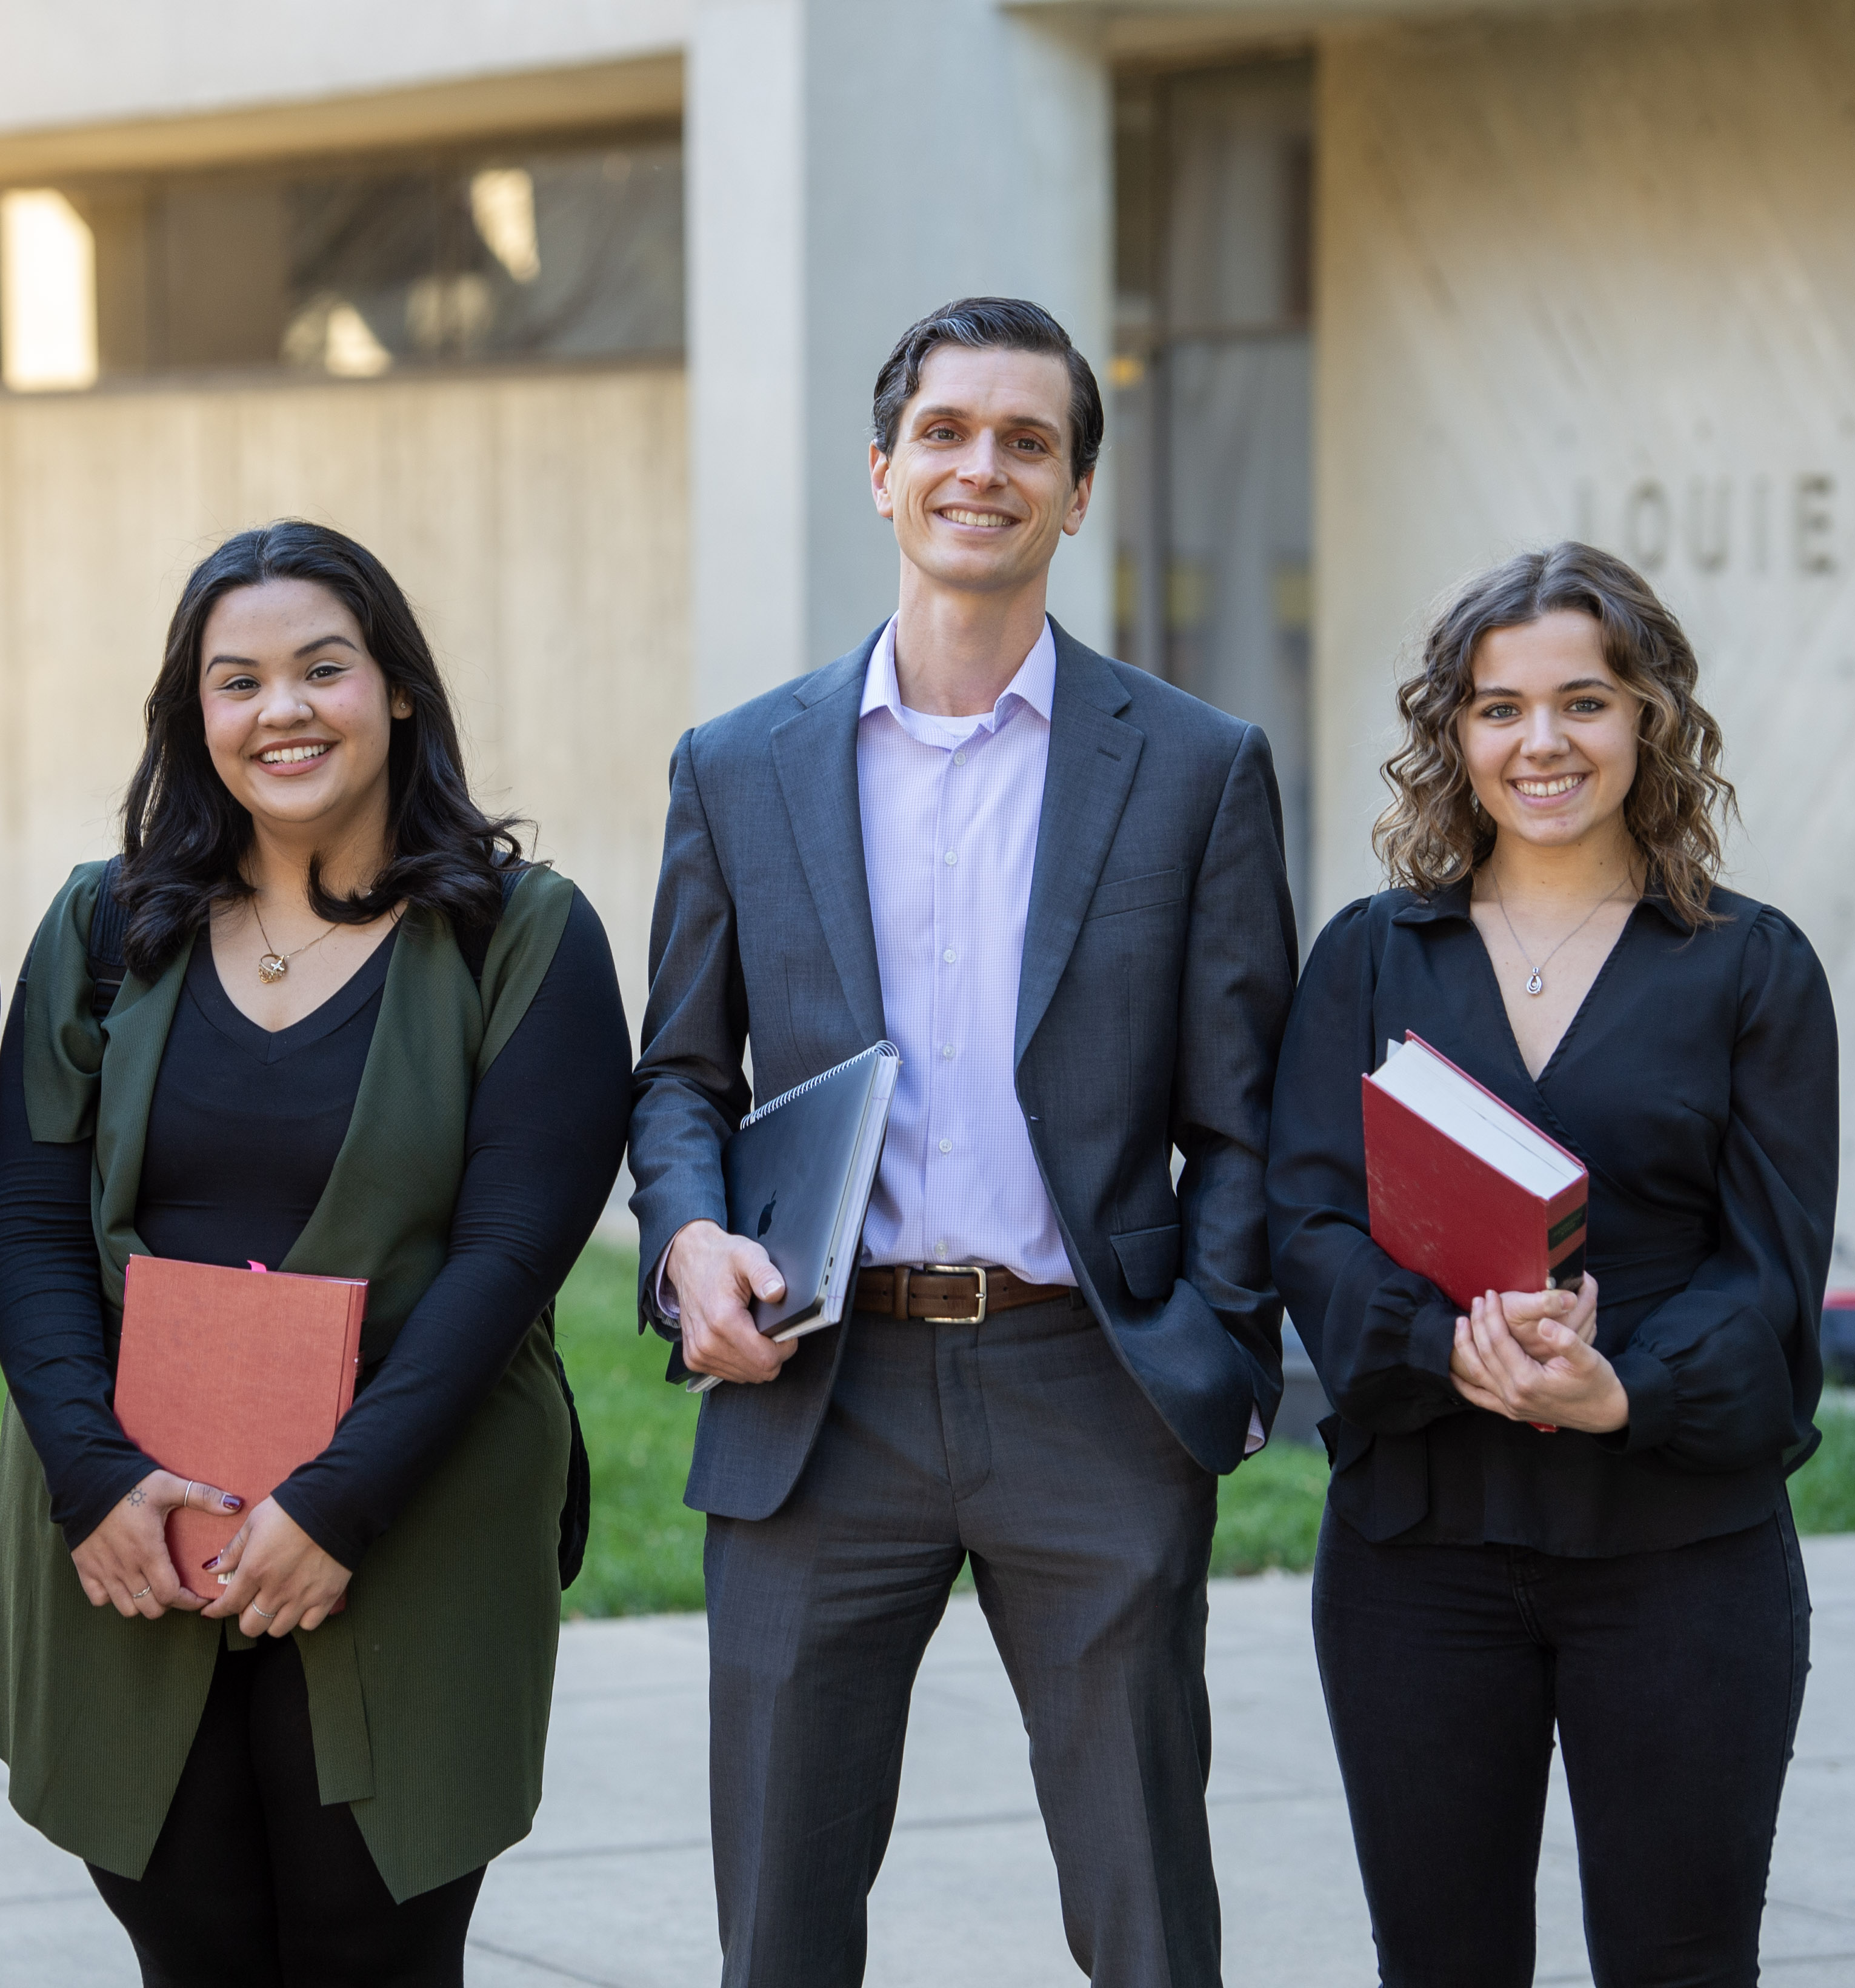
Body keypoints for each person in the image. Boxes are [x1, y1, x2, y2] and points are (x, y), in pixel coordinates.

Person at [628, 296, 1298, 1988]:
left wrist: (1201, 1361)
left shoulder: (1199, 769)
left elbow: (1245, 1117)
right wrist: (688, 1242)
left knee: (1148, 1916)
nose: (980, 467)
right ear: (881, 471)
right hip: (817, 1398)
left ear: (1078, 492)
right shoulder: (739, 766)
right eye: (946, 432)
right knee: (780, 1921)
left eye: (1027, 441)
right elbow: (680, 1080)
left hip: (1091, 1385)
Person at [0, 520, 630, 1987]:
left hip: (416, 1512)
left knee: (373, 1947)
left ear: (395, 687)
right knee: (190, 1939)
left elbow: (512, 1253)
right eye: (238, 680)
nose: (282, 710)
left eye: (321, 668)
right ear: (192, 714)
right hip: (132, 1523)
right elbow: (21, 1221)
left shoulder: (520, 936)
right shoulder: (103, 925)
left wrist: (340, 1502)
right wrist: (90, 1477)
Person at [1267, 541, 1836, 1987]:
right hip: (1419, 1554)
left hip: (1677, 1556)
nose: (1542, 742)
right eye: (1498, 706)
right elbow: (1310, 1220)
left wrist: (1619, 1388)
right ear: (1452, 735)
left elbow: (1770, 1268)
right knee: (1440, 1961)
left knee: (1680, 1958)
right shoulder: (1370, 957)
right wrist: (1437, 1345)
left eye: (1582, 701)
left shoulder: (1750, 969)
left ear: (1648, 717)